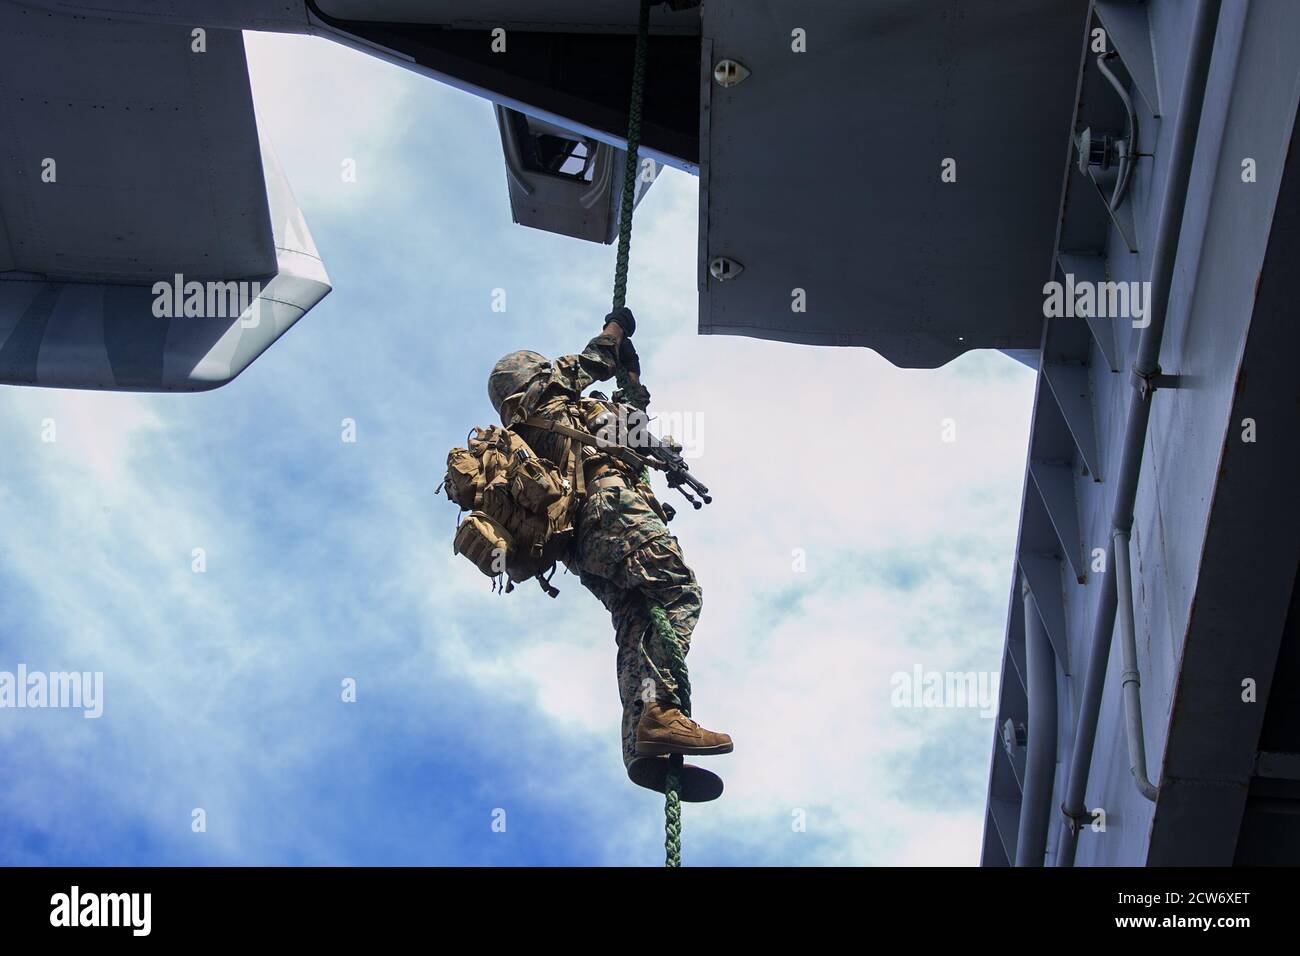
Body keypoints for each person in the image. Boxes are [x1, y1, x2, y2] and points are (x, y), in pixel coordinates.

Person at [486, 308, 732, 800]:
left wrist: (633, 375)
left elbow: (630, 422)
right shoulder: (542, 401)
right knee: (678, 591)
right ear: (531, 377)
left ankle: (642, 743)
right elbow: (592, 360)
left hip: (585, 543)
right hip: (610, 510)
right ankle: (661, 711)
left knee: (637, 621)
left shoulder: (554, 422)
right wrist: (615, 333)